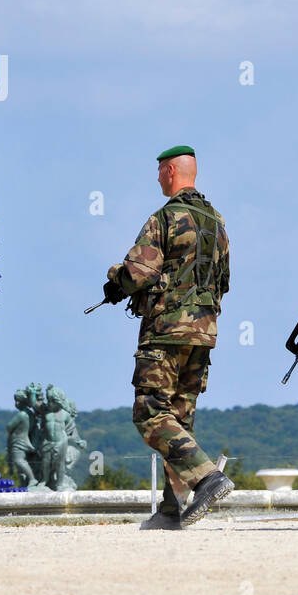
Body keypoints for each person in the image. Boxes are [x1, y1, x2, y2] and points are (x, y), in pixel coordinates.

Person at [102, 145, 233, 529]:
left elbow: (137, 271)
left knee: (150, 412)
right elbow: (225, 280)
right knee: (180, 419)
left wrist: (115, 281)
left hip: (166, 331)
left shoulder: (165, 218)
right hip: (204, 332)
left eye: (160, 171)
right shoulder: (217, 222)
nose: (158, 178)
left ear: (172, 171)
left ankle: (207, 478)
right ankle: (173, 508)